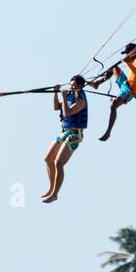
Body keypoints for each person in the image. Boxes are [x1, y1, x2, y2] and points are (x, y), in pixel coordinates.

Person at [42, 75, 88, 203]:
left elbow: (67, 113)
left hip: (75, 135)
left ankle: (55, 194)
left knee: (58, 163)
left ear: (80, 86)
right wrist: (56, 93)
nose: (71, 87)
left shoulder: (81, 100)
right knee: (48, 159)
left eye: (74, 86)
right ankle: (51, 189)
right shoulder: (70, 96)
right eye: (71, 85)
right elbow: (57, 107)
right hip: (65, 132)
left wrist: (63, 95)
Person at [89, 42, 136, 142]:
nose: (126, 55)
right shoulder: (134, 61)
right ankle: (97, 83)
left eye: (127, 53)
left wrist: (127, 63)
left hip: (130, 91)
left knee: (114, 105)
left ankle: (108, 132)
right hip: (126, 83)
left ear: (134, 52)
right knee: (114, 68)